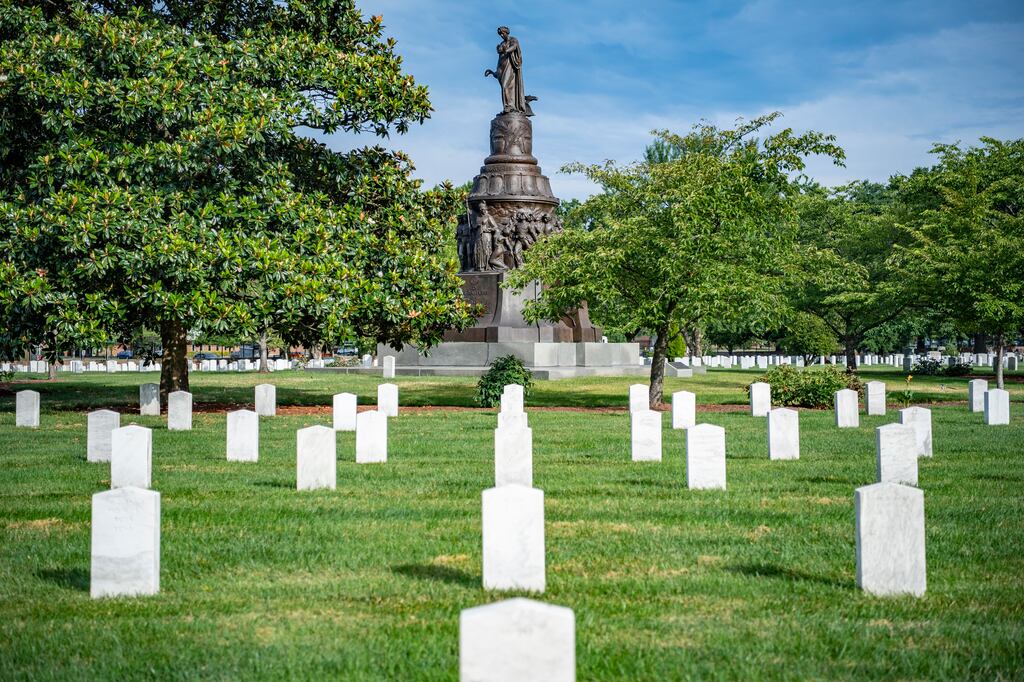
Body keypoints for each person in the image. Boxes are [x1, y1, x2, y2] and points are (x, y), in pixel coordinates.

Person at [484, 26, 534, 116]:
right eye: (500, 34)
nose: (501, 35)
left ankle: (509, 106)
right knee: (505, 88)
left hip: (510, 68)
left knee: (505, 87)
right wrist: (492, 72)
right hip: (502, 69)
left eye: (502, 33)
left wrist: (506, 50)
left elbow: (514, 47)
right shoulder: (502, 50)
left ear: (506, 33)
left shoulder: (513, 40)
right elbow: (499, 70)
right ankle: (507, 106)